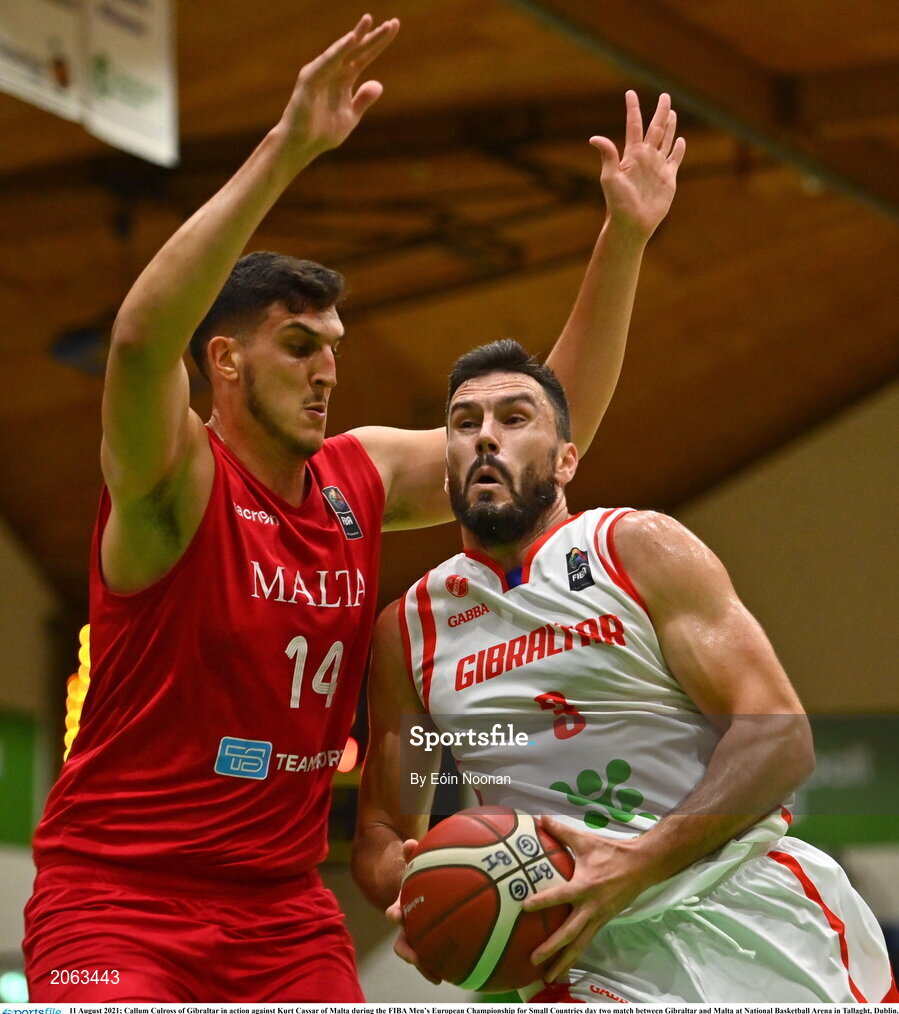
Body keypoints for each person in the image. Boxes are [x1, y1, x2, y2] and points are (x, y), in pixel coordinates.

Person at [22, 14, 687, 1005]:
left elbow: (548, 427)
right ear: (226, 360)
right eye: (299, 344)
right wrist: (288, 147)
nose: (328, 366)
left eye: (333, 343)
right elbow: (135, 345)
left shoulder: (359, 476)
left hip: (282, 911)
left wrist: (622, 238)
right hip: (120, 899)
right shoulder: (176, 484)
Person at [352, 339, 898, 1003]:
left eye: (514, 418)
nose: (486, 438)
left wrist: (636, 864)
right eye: (465, 424)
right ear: (445, 473)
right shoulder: (407, 626)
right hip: (578, 954)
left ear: (565, 459)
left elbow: (778, 738)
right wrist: (413, 887)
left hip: (746, 913)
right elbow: (383, 827)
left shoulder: (633, 547)